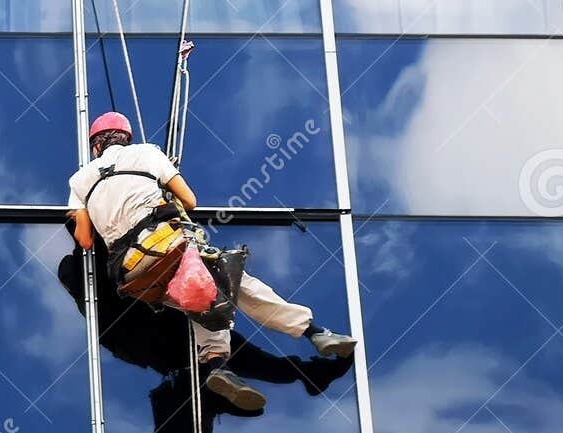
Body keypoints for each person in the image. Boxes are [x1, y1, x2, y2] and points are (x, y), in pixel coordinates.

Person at [66, 111, 354, 413]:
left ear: (95, 146)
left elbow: (85, 240)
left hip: (132, 272)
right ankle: (312, 332)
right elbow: (190, 201)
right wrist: (161, 191)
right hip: (165, 246)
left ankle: (222, 364)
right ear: (126, 138)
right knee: (230, 282)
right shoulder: (146, 154)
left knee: (201, 294)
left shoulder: (79, 181)